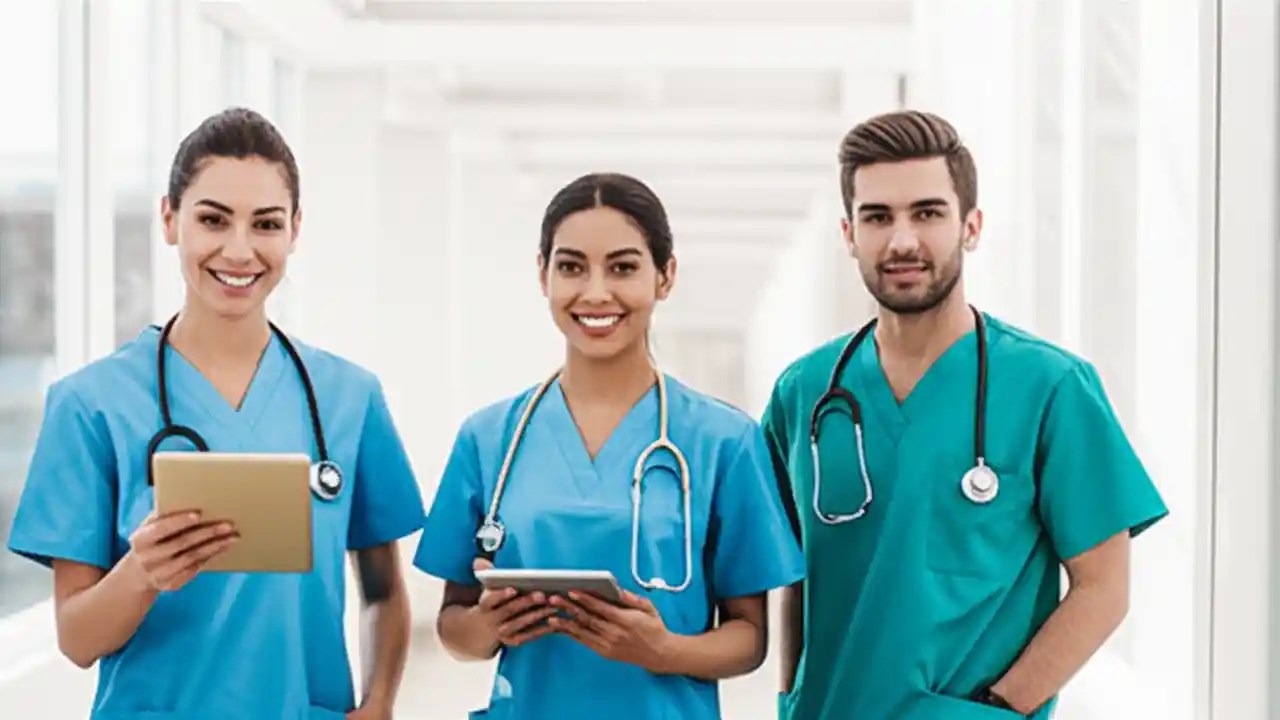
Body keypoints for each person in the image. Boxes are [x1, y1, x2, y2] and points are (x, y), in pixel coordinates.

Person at [6, 107, 425, 720]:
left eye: (266, 224)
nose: (239, 249)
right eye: (213, 219)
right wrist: (142, 572)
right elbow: (77, 639)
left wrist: (380, 701)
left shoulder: (348, 398)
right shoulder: (91, 404)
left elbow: (384, 591)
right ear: (170, 219)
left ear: (295, 231)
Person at [765, 110, 1169, 719]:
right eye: (878, 217)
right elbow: (794, 571)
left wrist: (1000, 708)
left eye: (927, 213)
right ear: (849, 234)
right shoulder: (806, 391)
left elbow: (1104, 588)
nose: (902, 241)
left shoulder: (1050, 387)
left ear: (970, 226)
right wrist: (790, 700)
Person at [412, 172, 805, 720]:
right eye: (571, 267)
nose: (596, 293)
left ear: (664, 276)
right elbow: (454, 627)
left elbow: (749, 638)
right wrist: (486, 627)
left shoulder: (724, 441)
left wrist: (664, 651)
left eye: (623, 267)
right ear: (542, 274)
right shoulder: (488, 438)